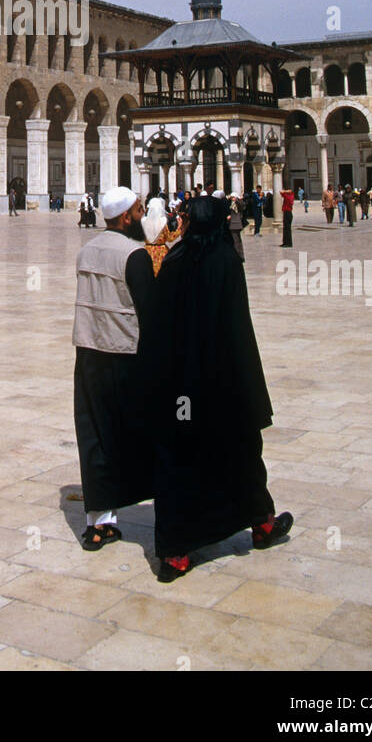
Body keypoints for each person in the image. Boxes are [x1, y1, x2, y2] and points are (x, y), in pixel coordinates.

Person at [146, 194, 293, 580]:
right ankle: (261, 526)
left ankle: (177, 553)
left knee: (181, 459)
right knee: (241, 452)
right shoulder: (228, 263)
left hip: (183, 390)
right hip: (226, 382)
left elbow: (158, 324)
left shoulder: (174, 263)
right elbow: (238, 328)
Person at [73, 185, 156, 551]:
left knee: (95, 435)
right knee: (141, 431)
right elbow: (150, 309)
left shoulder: (86, 251)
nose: (141, 217)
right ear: (126, 217)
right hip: (126, 354)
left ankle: (98, 523)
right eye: (139, 211)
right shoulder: (134, 255)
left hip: (89, 354)